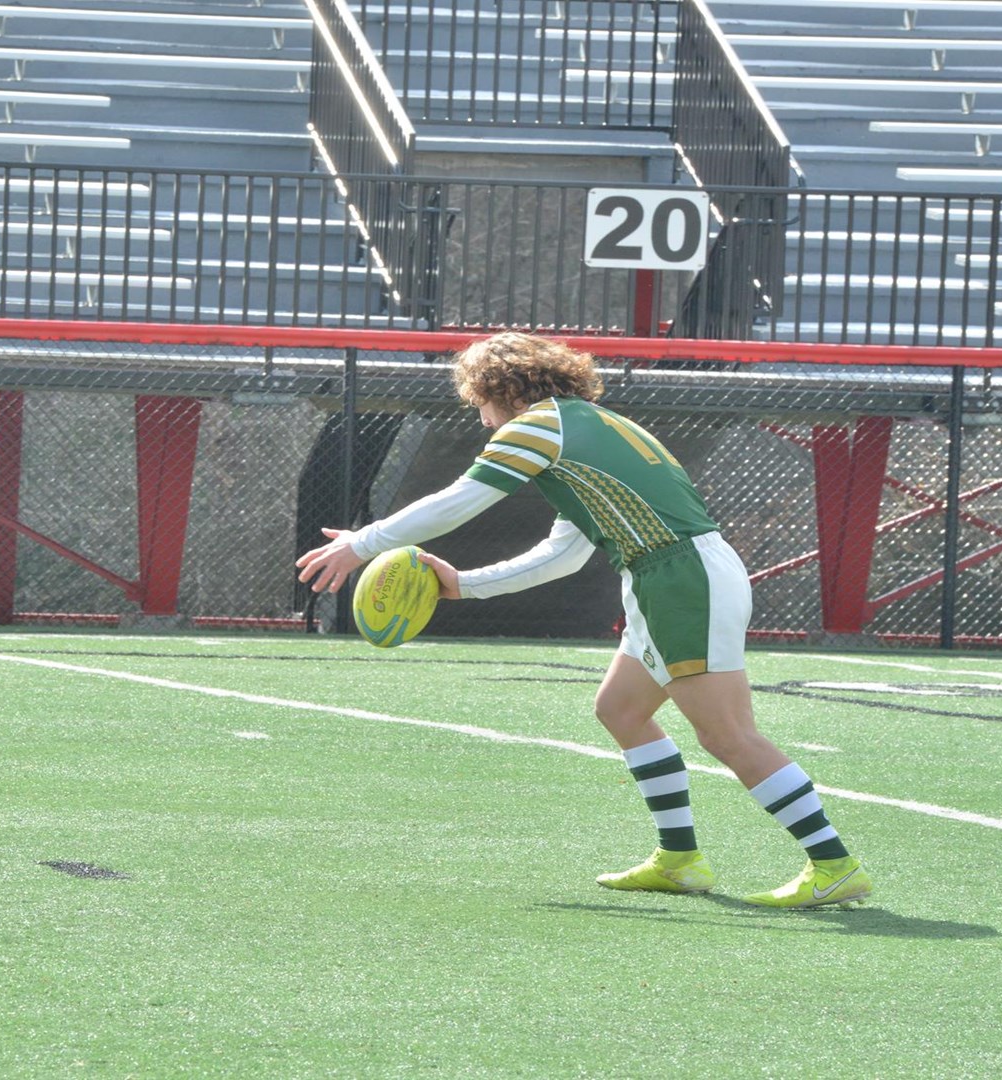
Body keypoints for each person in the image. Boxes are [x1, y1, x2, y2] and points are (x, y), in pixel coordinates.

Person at [295, 331, 873, 907]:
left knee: (727, 734)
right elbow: (563, 554)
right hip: (667, 576)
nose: (481, 421)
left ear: (502, 389)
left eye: (479, 404)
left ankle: (833, 863)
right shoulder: (584, 429)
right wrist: (466, 586)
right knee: (620, 710)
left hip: (681, 579)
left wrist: (362, 544)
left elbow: (461, 498)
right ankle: (679, 860)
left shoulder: (539, 426)